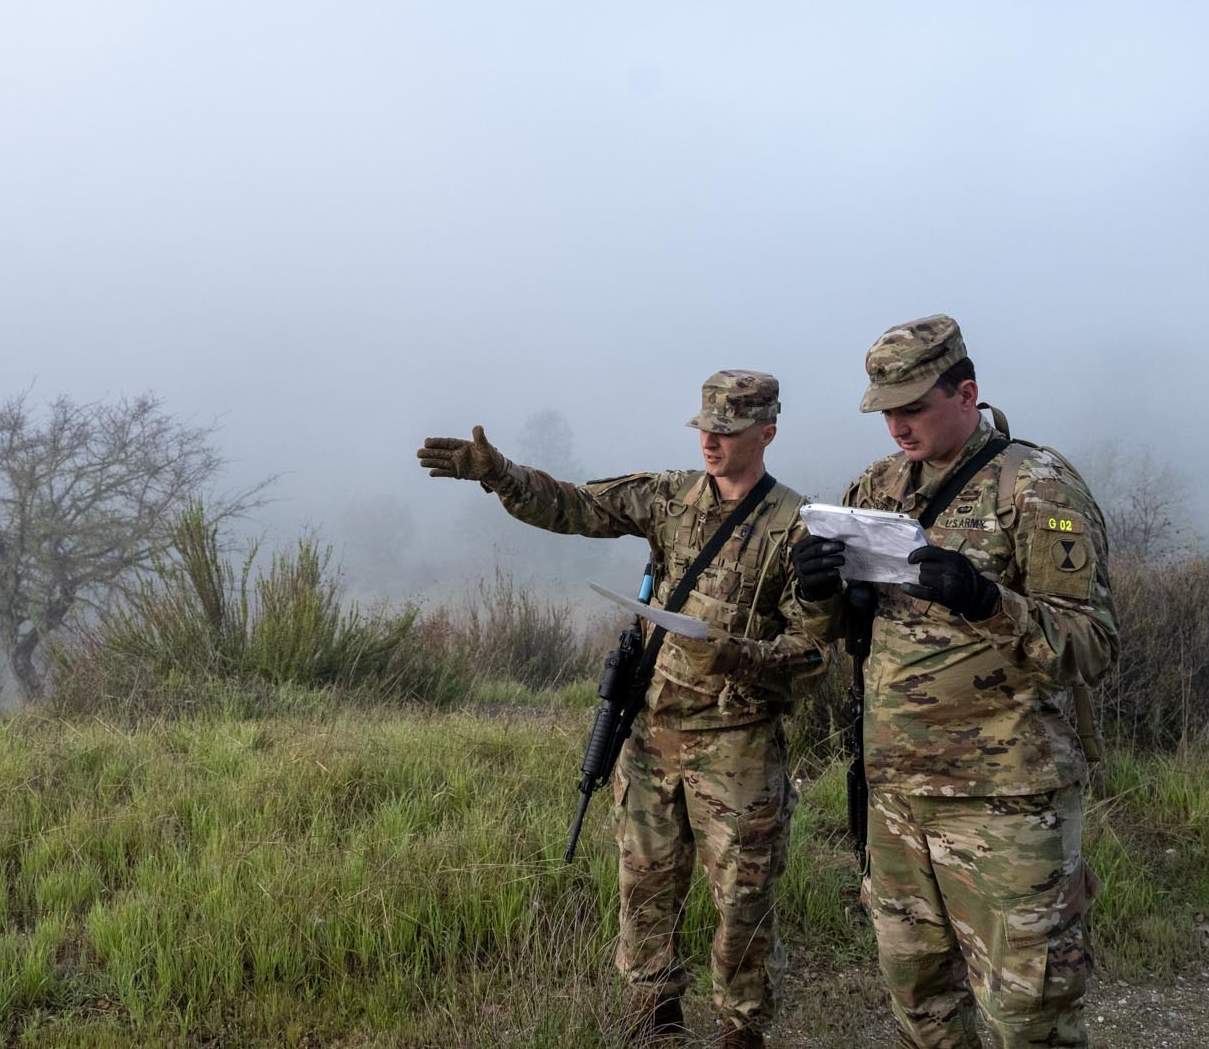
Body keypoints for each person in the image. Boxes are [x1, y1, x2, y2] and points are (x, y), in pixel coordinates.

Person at [419, 371, 839, 1049]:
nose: (710, 441)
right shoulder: (670, 496)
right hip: (650, 733)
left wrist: (735, 656)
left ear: (766, 433)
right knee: (644, 884)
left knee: (744, 897)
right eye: (704, 428)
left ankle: (741, 1028)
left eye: (727, 431)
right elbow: (574, 505)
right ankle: (654, 1017)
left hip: (736, 744)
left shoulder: (796, 527)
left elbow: (814, 653)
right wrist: (499, 474)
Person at [791, 315, 1117, 1049]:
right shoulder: (876, 487)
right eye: (885, 412)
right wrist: (817, 593)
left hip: (1005, 801)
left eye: (913, 408)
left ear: (966, 393)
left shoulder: (1036, 487)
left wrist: (986, 600)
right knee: (922, 1002)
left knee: (1030, 1013)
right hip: (897, 792)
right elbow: (843, 631)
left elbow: (1093, 644)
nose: (896, 427)